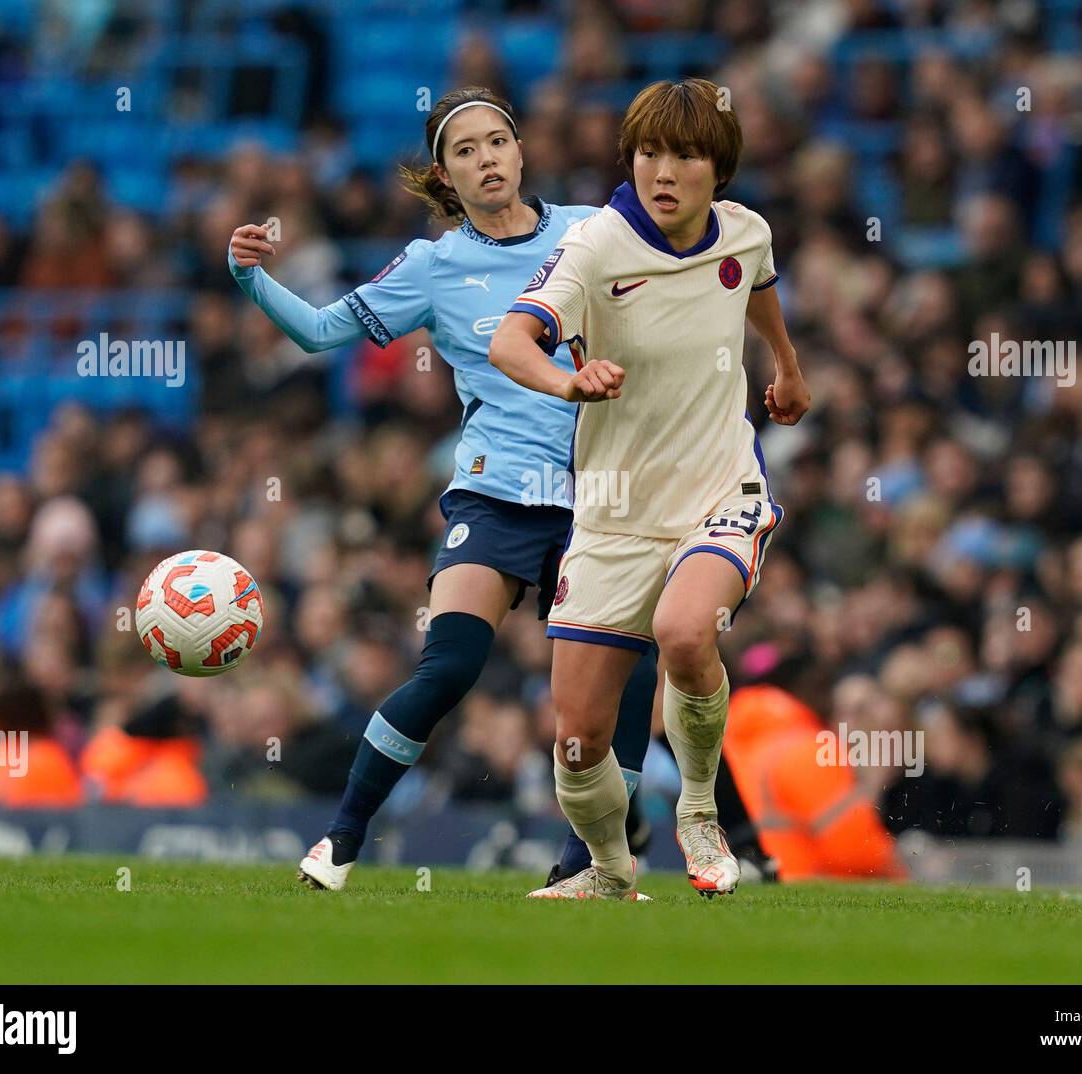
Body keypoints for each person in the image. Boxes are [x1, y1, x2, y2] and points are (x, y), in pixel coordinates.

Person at [228, 86, 657, 891]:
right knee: (450, 665)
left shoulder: (592, 233)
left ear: (521, 151)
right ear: (444, 175)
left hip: (602, 493)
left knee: (621, 684)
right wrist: (251, 279)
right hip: (496, 489)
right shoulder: (433, 264)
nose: (486, 158)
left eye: (497, 141)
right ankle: (341, 841)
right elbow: (321, 332)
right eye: (466, 150)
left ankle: (593, 867)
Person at [490, 78, 811, 900]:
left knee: (682, 632)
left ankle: (700, 812)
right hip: (613, 515)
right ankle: (607, 867)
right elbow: (511, 341)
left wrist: (786, 364)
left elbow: (757, 281)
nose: (662, 171)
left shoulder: (744, 233)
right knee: (576, 742)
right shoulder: (597, 246)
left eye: (685, 155)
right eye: (648, 152)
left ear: (719, 169)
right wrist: (568, 383)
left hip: (719, 490)